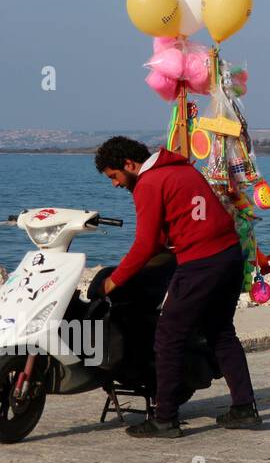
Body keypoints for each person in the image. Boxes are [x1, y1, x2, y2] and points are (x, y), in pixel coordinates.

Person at [94, 136, 259, 437]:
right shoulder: (183, 169)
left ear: (129, 165)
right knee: (221, 332)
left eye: (114, 176)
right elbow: (161, 238)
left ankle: (165, 418)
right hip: (230, 256)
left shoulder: (148, 183)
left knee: (168, 336)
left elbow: (145, 245)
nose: (115, 184)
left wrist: (113, 280)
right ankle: (245, 408)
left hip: (201, 263)